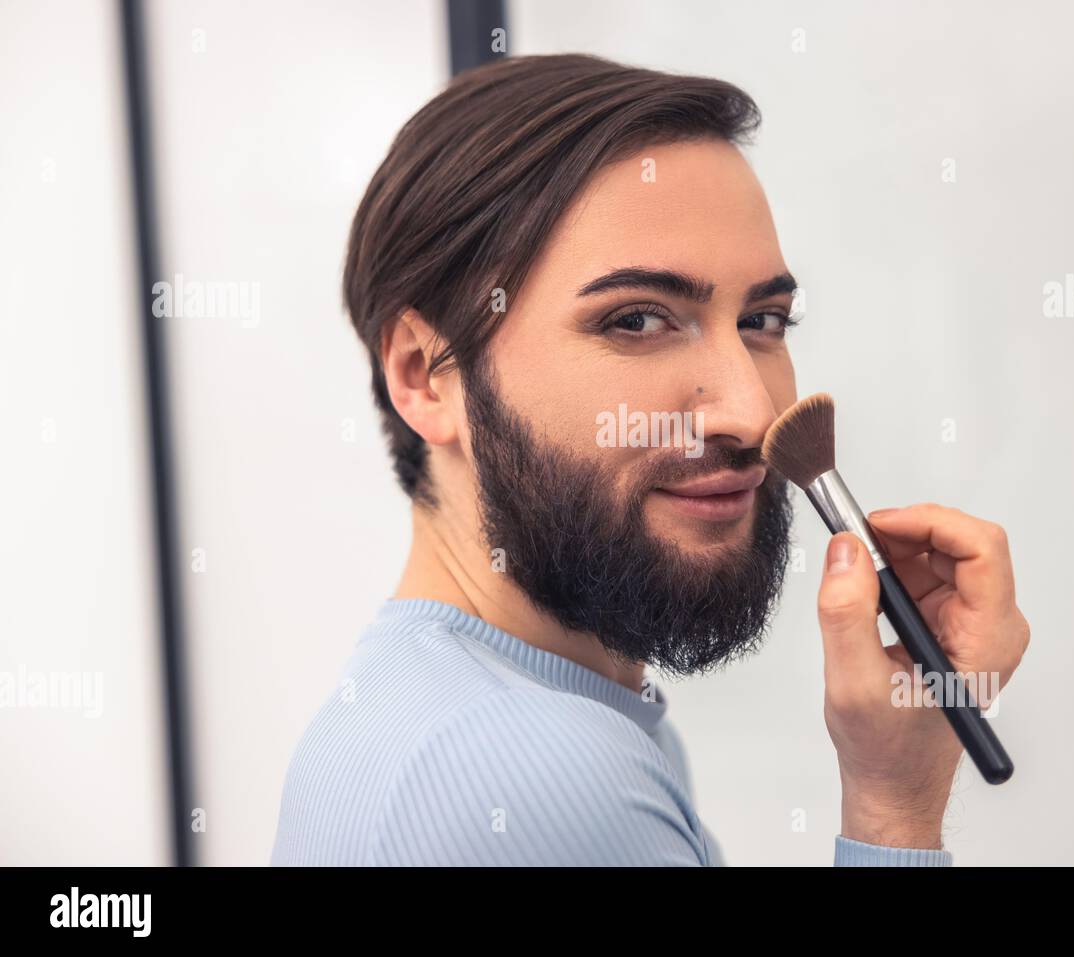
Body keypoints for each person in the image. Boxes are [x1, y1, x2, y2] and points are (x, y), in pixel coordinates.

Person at [270, 53, 1030, 866]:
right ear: (426, 374)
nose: (750, 414)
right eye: (635, 320)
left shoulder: (467, 708)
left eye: (765, 321)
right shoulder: (532, 775)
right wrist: (895, 810)